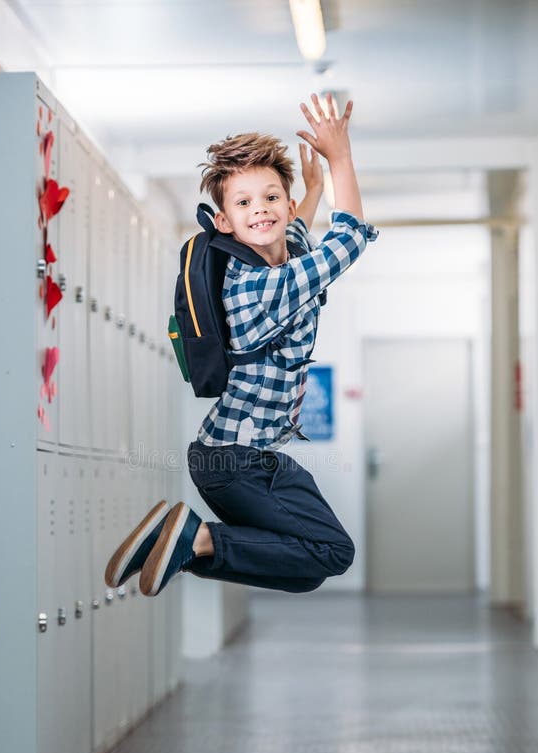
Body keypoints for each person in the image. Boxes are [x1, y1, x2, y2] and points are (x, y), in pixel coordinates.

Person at [105, 93, 378, 597]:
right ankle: (196, 538)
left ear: (287, 203)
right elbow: (350, 238)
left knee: (310, 568)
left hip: (240, 458)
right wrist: (340, 158)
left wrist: (313, 188)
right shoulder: (261, 287)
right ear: (224, 222)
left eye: (271, 197)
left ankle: (176, 547)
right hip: (235, 464)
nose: (261, 210)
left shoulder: (276, 262)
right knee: (332, 551)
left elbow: (292, 234)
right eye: (244, 203)